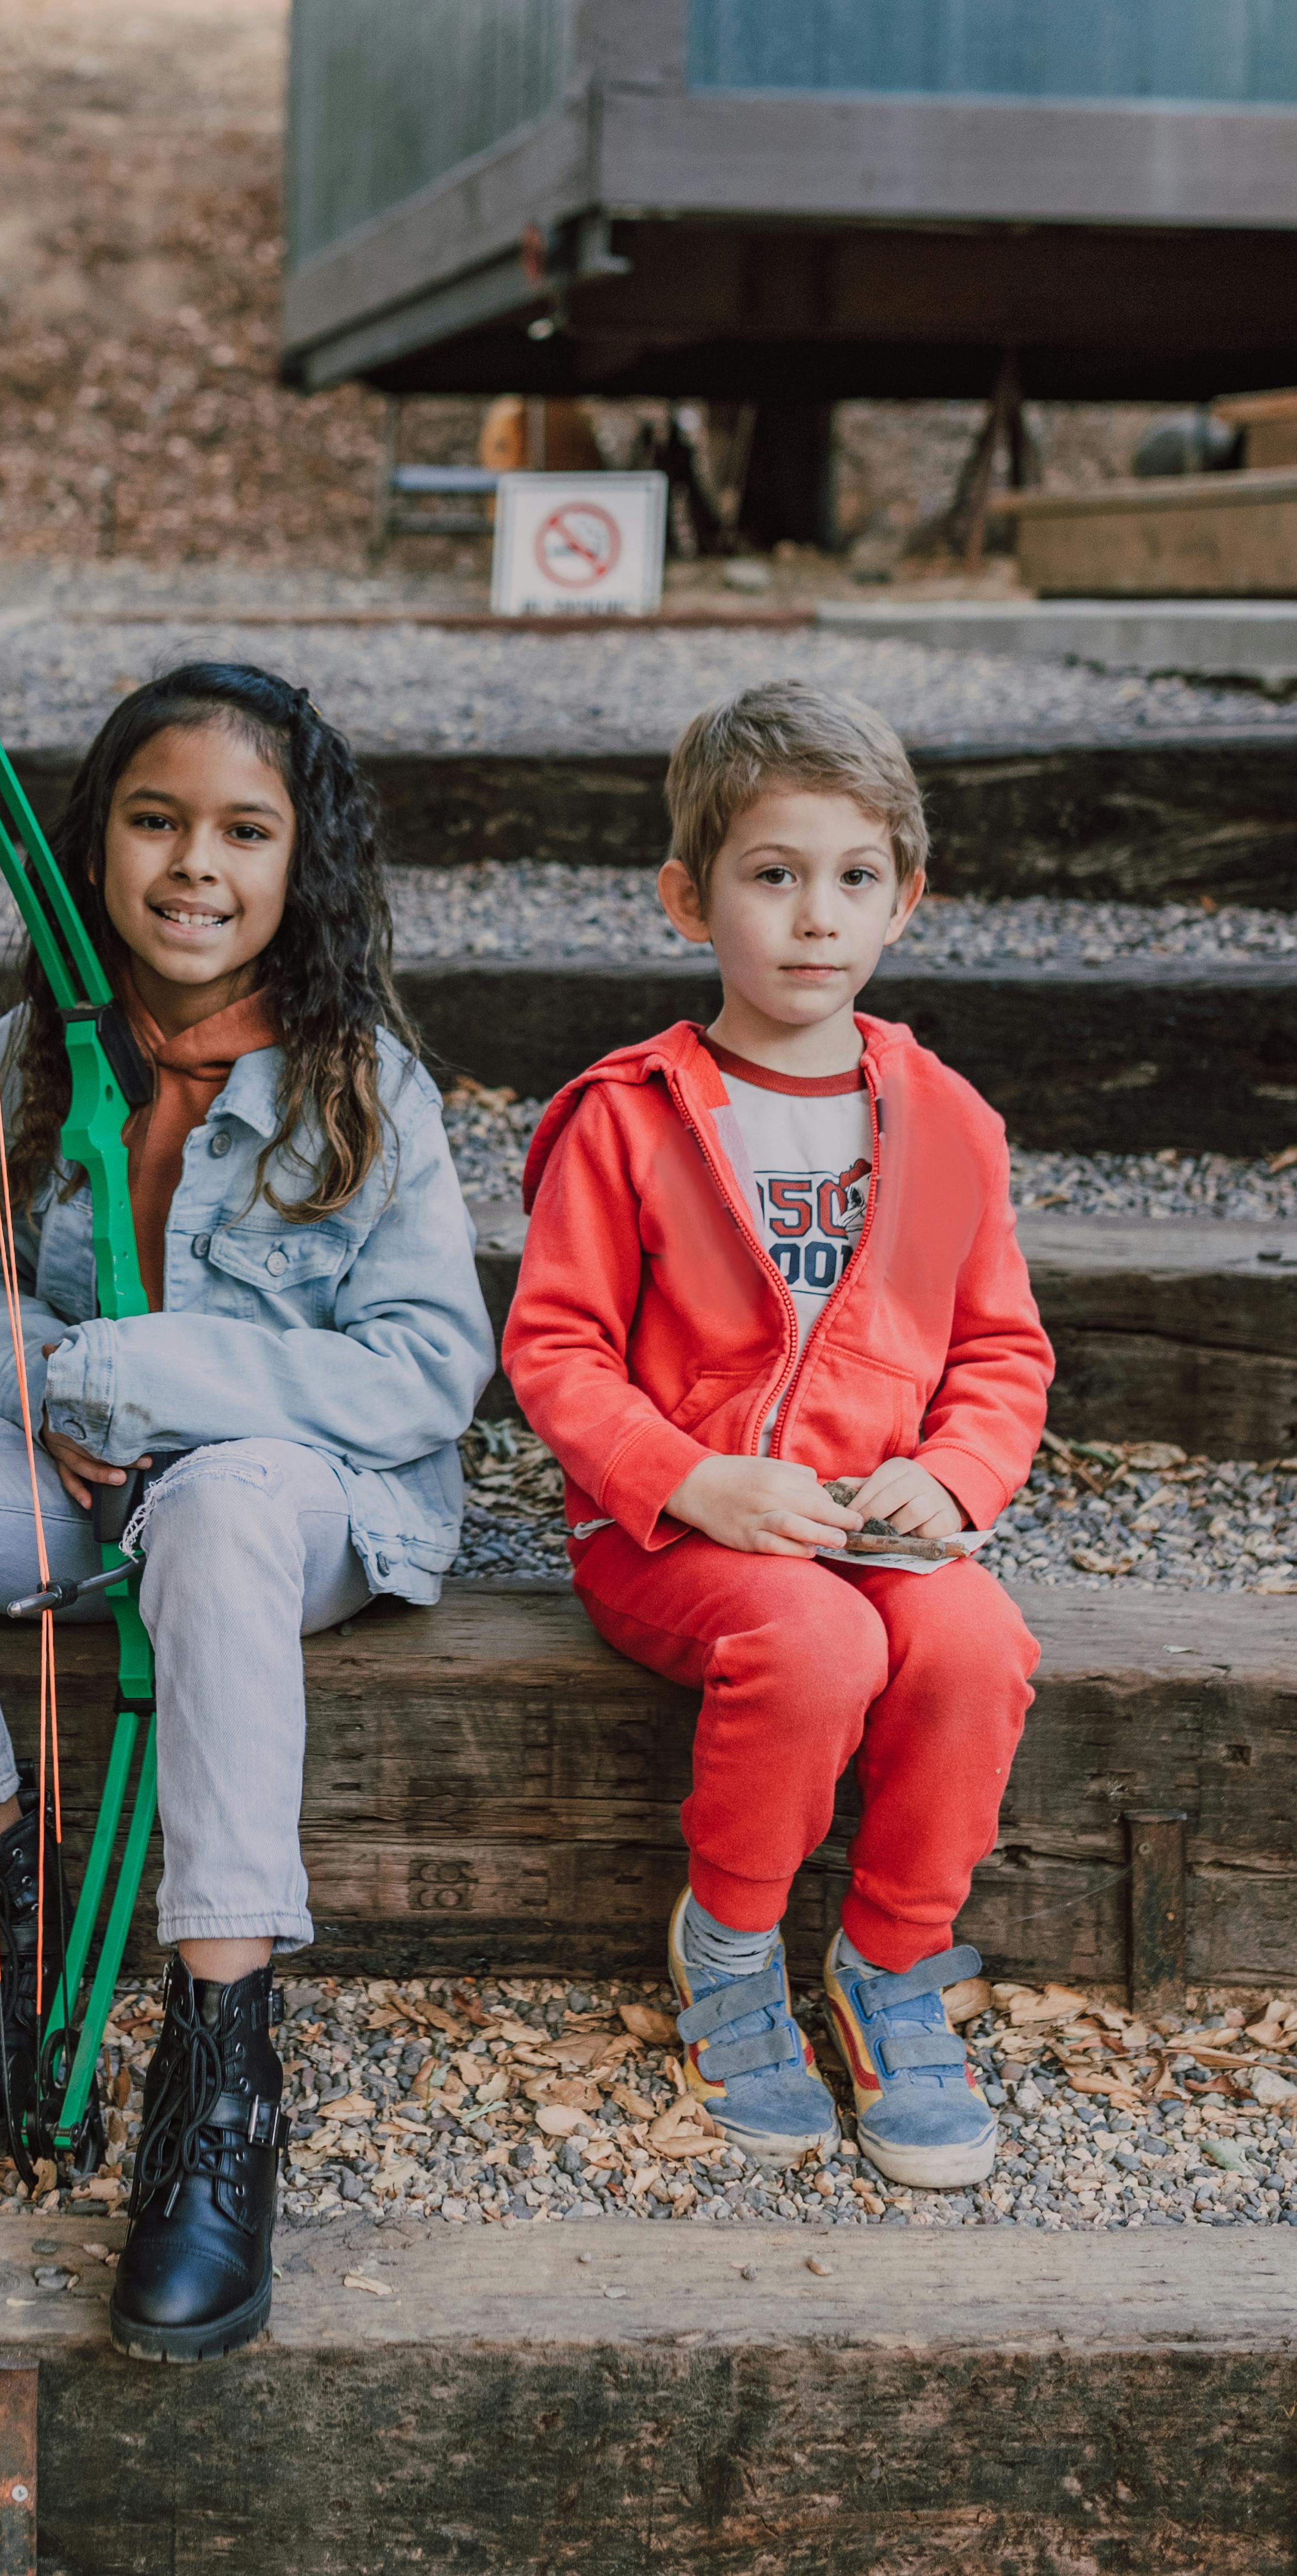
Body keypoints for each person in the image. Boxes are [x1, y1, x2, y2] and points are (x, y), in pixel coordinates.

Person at [0, 662, 491, 2361]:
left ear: (297, 863)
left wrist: (164, 1377)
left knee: (231, 1504)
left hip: (298, 1508)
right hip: (87, 1481)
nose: (196, 864)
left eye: (244, 831)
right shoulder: (41, 1055)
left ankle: (220, 2055)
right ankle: (8, 1915)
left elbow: (423, 1374)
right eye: (156, 821)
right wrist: (32, 1367)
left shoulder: (361, 1082)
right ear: (93, 848)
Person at [504, 681, 1052, 2193]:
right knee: (816, 1650)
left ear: (907, 902)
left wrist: (944, 1482)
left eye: (855, 878)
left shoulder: (945, 1123)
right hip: (674, 1533)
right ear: (690, 896)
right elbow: (555, 1350)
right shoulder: (629, 1119)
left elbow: (1002, 1352)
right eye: (772, 874)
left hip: (874, 1522)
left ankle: (889, 1960)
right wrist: (692, 1480)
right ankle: (734, 1944)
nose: (817, 917)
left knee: (971, 1645)